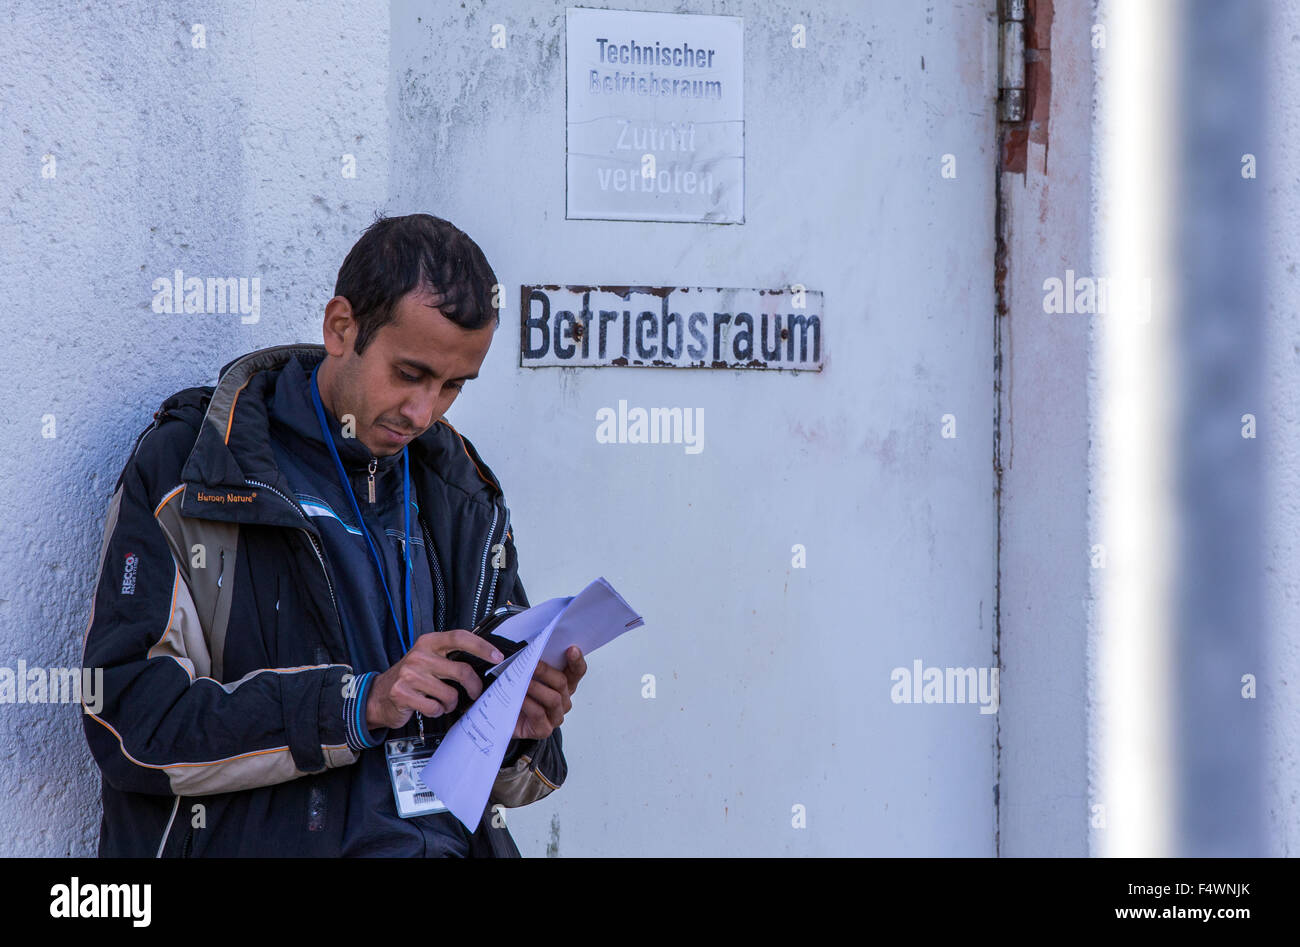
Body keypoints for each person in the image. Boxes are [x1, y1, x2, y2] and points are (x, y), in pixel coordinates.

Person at [81, 213, 586, 856]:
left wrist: (521, 729)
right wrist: (360, 705)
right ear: (341, 327)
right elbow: (128, 720)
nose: (424, 412)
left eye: (453, 386)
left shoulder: (459, 490)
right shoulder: (195, 468)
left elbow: (518, 779)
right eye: (409, 374)